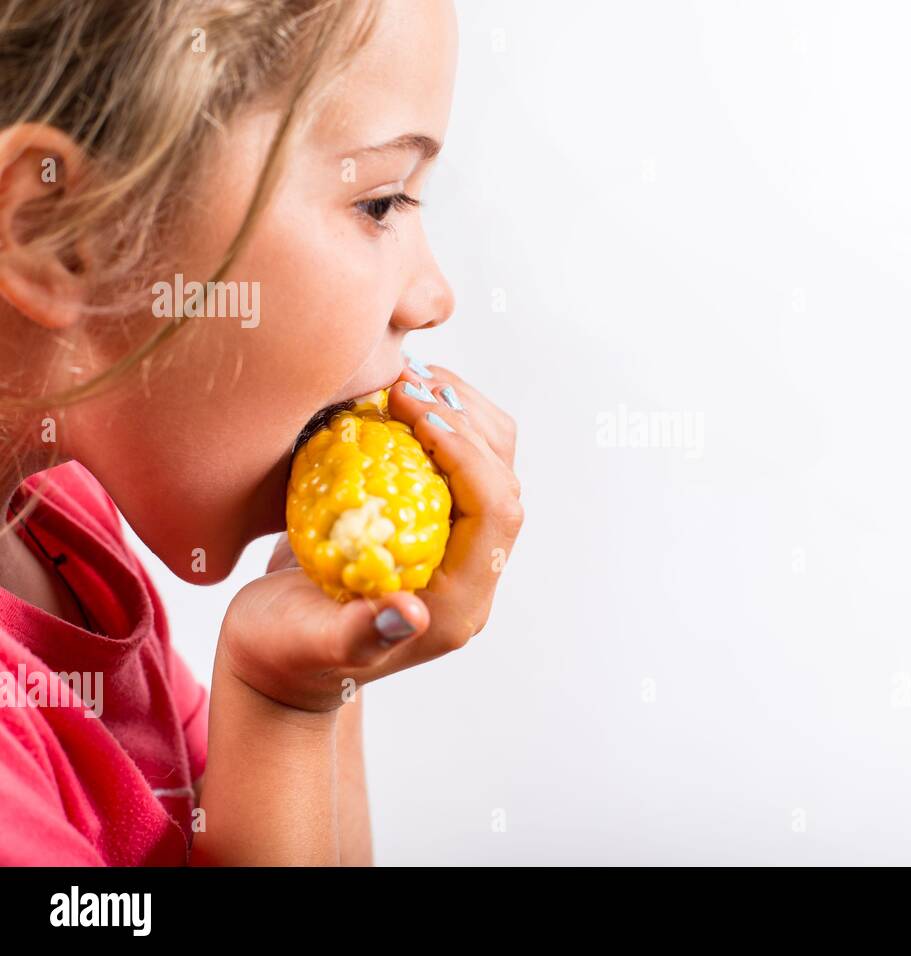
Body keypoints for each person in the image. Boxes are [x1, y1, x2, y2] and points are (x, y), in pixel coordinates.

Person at [0, 0, 523, 865]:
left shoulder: (66, 540)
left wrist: (306, 686)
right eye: (381, 200)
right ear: (60, 234)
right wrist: (281, 713)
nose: (432, 297)